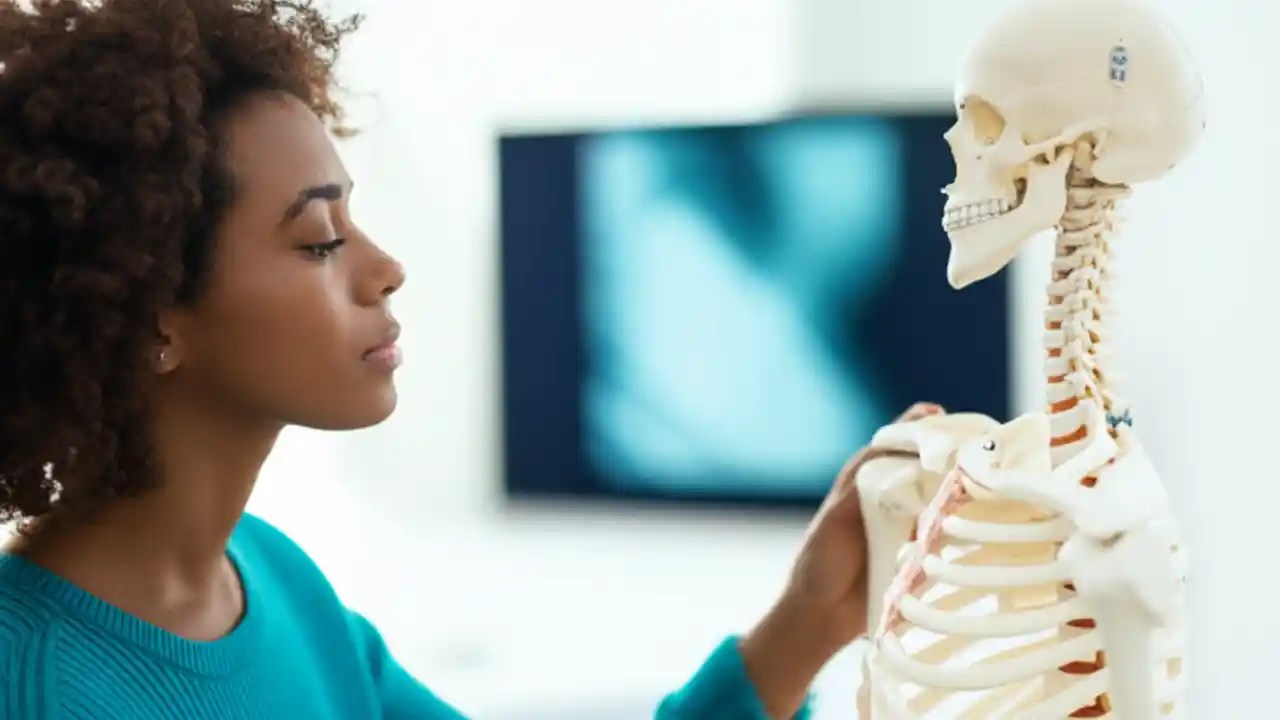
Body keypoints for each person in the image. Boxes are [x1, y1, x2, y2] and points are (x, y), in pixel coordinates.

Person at [0, 1, 943, 717]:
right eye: (321, 238)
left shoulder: (272, 581)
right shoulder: (31, 682)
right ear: (149, 310)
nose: (385, 269)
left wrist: (811, 618)